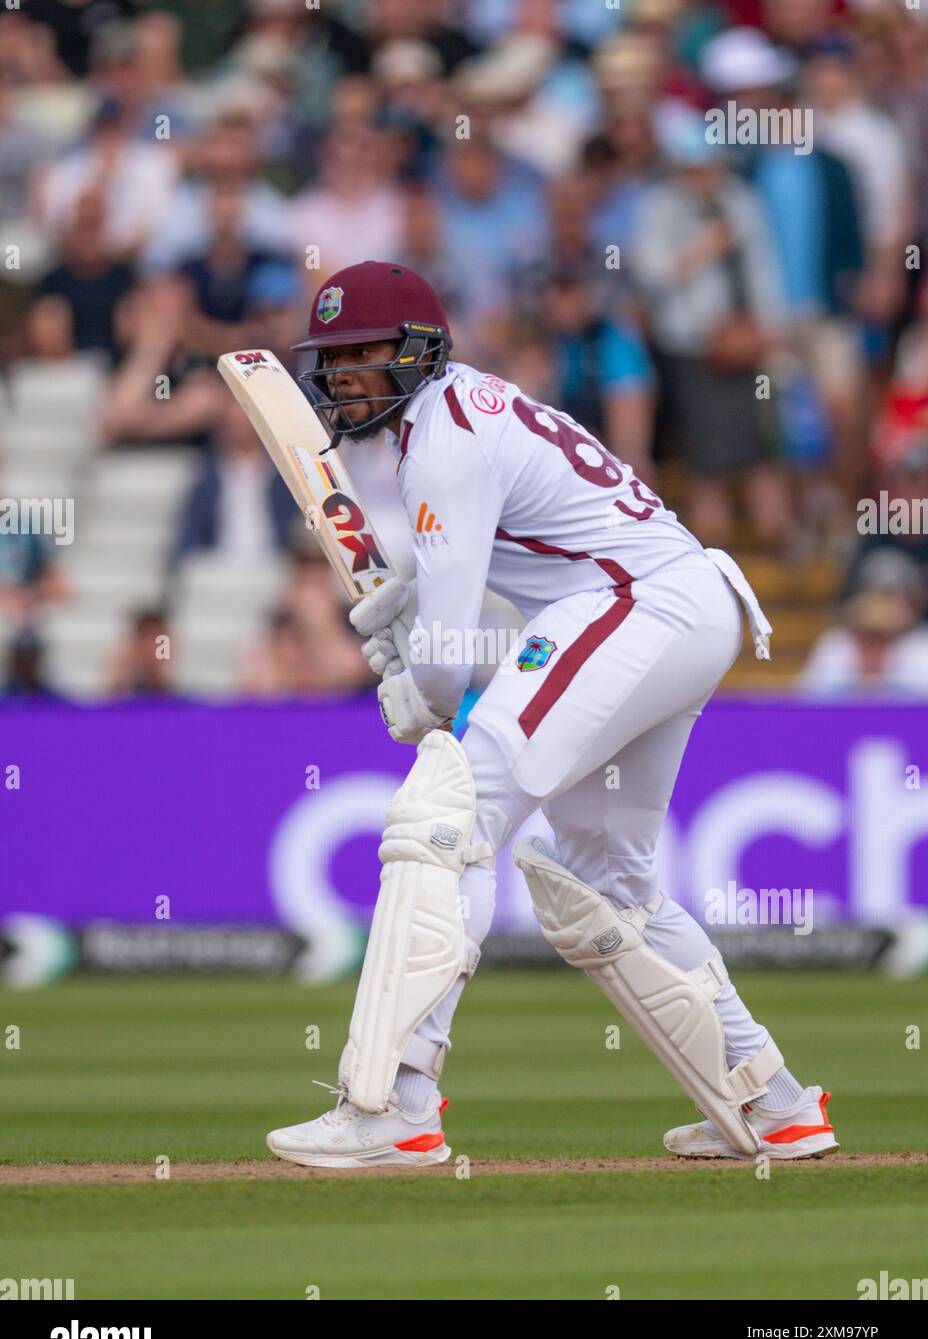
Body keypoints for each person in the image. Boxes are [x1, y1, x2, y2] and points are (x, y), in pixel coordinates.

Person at [265, 260, 839, 1168]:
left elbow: (449, 672)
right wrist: (404, 609)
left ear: (417, 354)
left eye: (360, 356)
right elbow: (509, 558)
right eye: (330, 362)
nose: (341, 382)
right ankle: (774, 1101)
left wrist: (411, 691)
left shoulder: (440, 437)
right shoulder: (464, 412)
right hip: (676, 607)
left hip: (636, 606)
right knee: (613, 887)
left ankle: (394, 1103)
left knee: (448, 819)